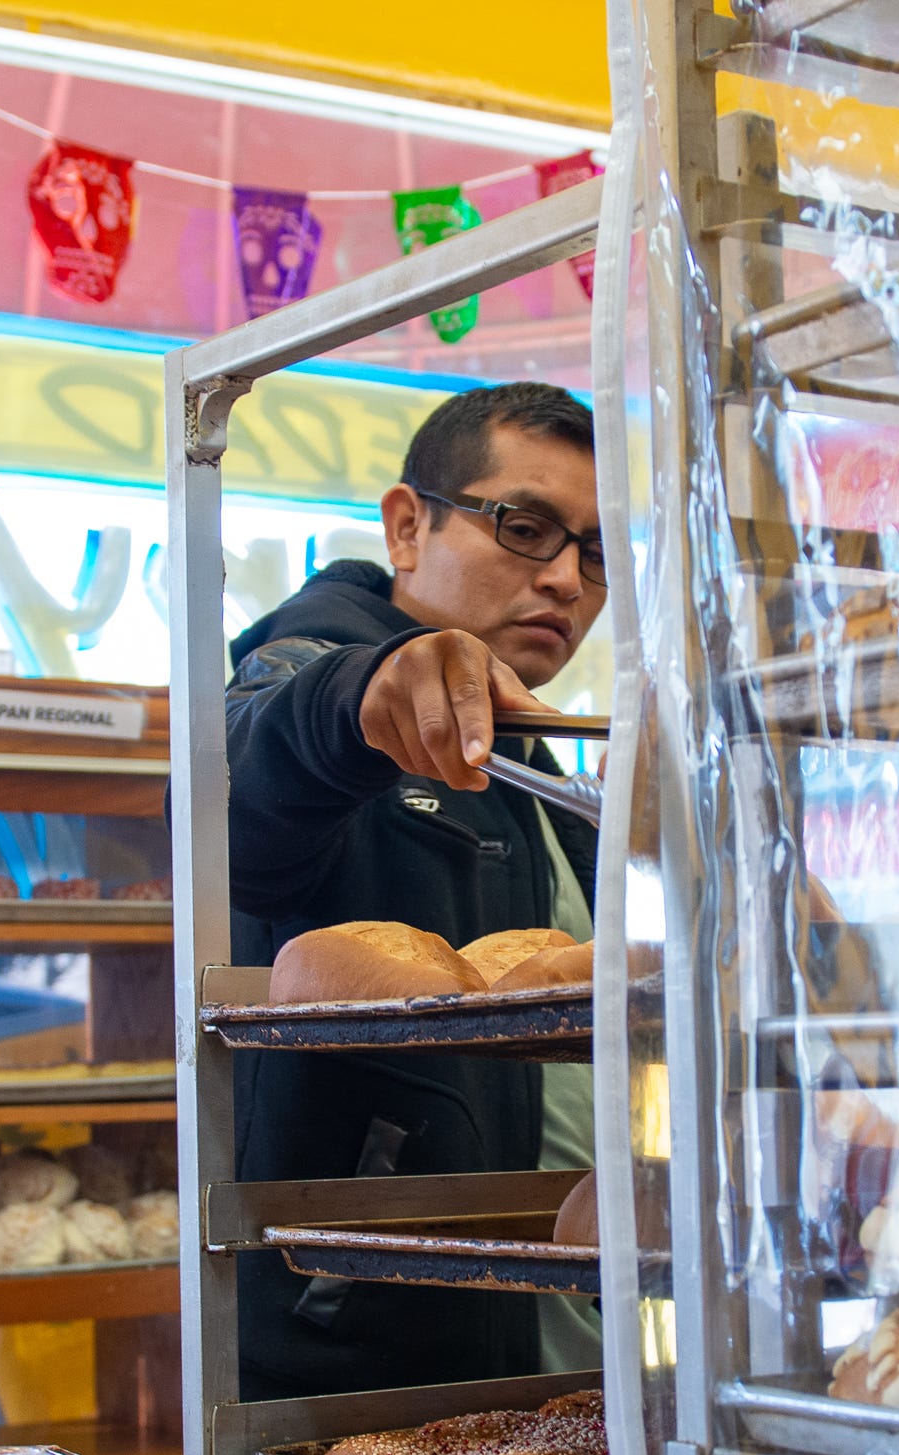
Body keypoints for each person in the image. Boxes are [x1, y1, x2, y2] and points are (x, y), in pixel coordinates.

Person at [222, 381, 607, 1403]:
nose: (566, 580)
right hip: (365, 1376)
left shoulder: (546, 761)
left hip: (568, 1352)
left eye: (598, 553)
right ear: (406, 525)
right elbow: (246, 776)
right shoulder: (312, 677)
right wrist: (363, 693)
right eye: (525, 528)